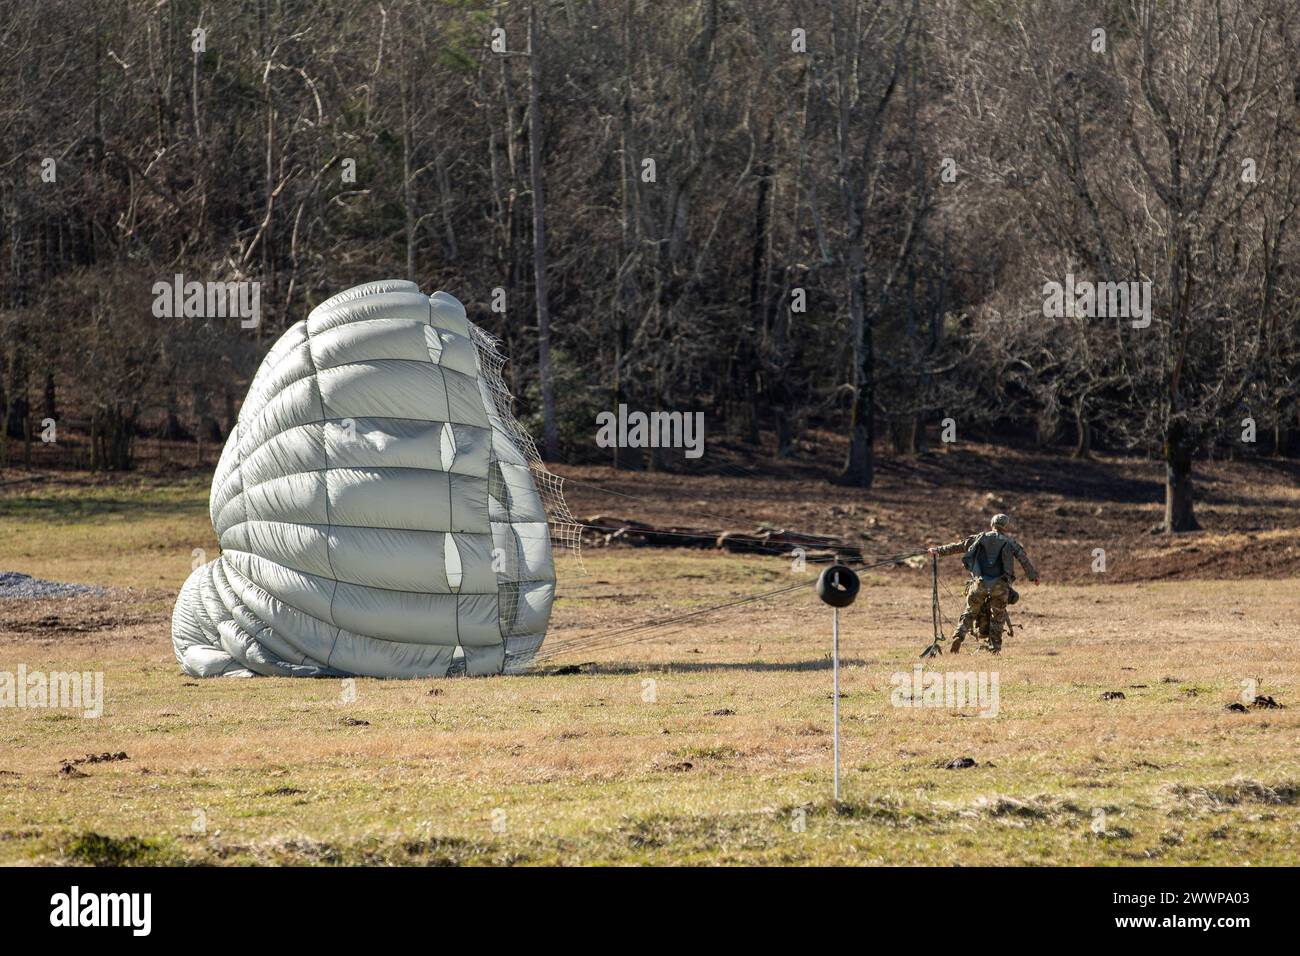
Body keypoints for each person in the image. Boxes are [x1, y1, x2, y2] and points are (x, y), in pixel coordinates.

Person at [928, 513, 1040, 654]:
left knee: (969, 612)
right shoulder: (1011, 543)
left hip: (979, 583)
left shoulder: (979, 538)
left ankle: (959, 635)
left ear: (991, 524)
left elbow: (958, 546)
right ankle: (995, 649)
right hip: (1000, 585)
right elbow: (1024, 560)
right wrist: (1033, 577)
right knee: (997, 617)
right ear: (1006, 526)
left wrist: (937, 551)